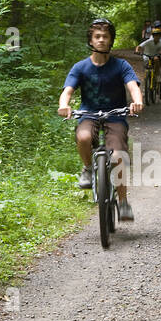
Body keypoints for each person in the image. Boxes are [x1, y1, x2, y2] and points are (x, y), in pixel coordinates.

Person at [58, 17, 143, 221]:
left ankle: (123, 203)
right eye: (97, 36)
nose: (101, 40)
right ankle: (87, 168)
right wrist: (64, 105)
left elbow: (133, 86)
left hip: (116, 115)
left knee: (118, 157)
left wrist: (137, 101)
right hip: (88, 113)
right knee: (85, 137)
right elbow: (67, 91)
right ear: (91, 40)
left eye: (105, 36)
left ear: (111, 40)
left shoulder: (121, 65)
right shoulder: (80, 67)